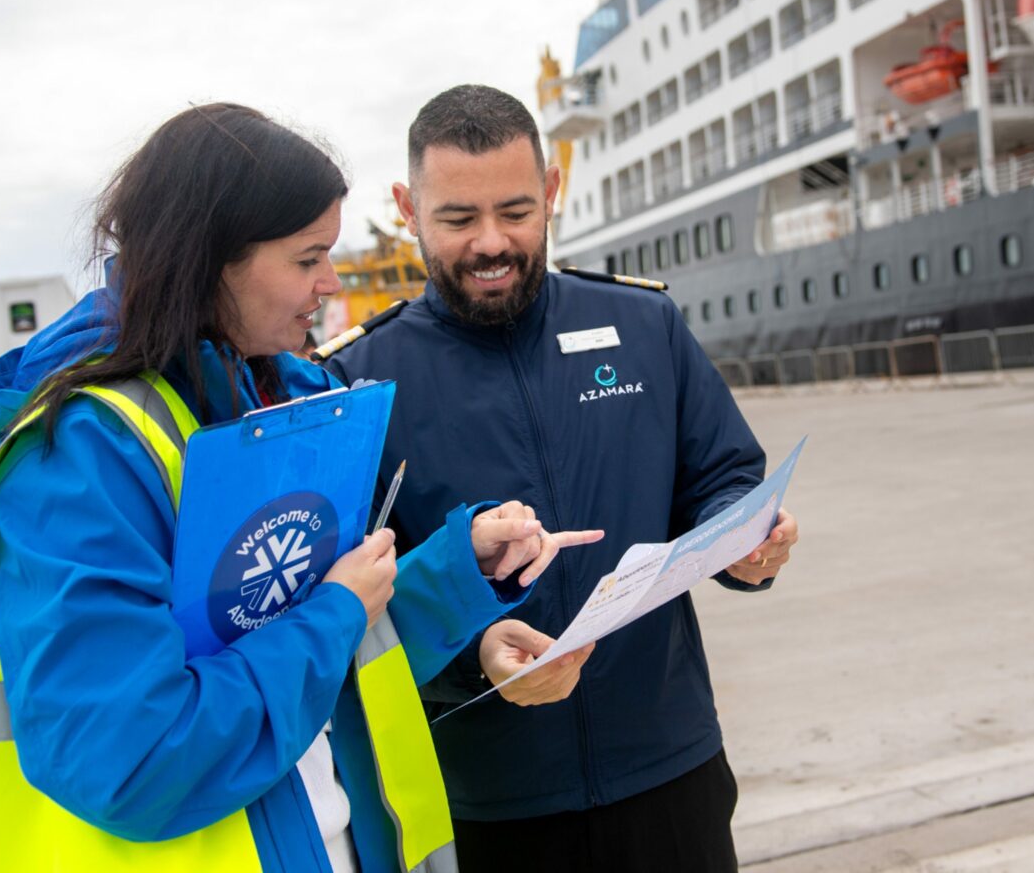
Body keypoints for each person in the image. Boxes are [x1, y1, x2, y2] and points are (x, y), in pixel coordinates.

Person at [0, 103, 599, 872]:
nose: (332, 282)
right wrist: (339, 608)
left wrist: (455, 570)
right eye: (309, 257)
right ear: (211, 260)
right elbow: (134, 757)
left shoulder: (274, 400)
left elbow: (311, 645)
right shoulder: (80, 460)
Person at [321, 85, 801, 873]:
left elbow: (725, 477)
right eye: (457, 219)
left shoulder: (647, 327)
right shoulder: (355, 387)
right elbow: (351, 612)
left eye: (515, 211)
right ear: (407, 208)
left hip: (671, 770)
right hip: (485, 804)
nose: (490, 242)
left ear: (551, 191)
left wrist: (751, 541)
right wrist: (478, 656)